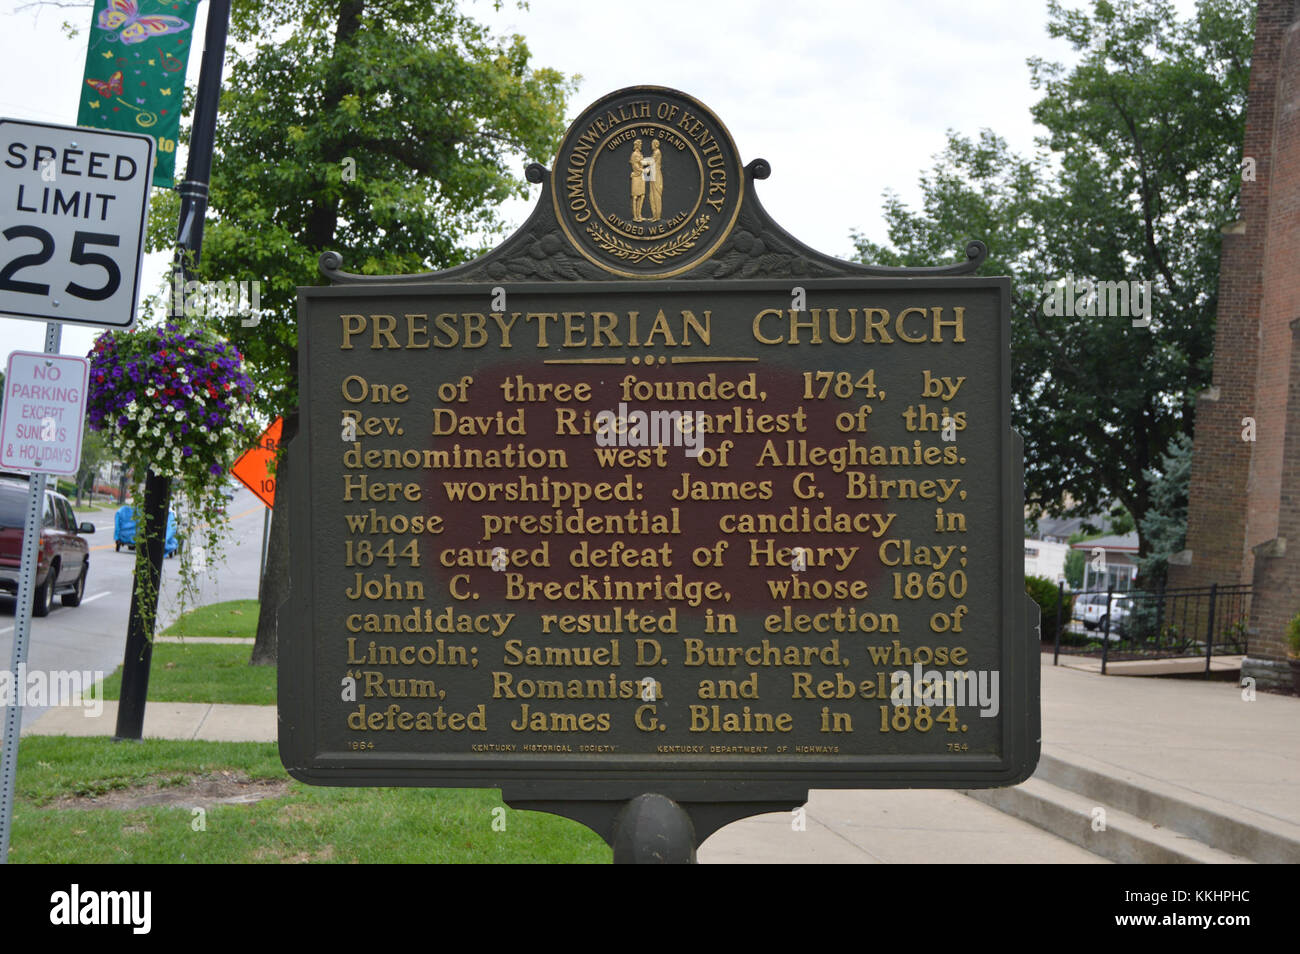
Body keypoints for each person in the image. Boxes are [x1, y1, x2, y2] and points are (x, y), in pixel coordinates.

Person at [630, 140, 646, 221]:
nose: (641, 145)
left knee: (642, 195)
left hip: (641, 177)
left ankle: (639, 215)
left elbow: (642, 162)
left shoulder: (640, 154)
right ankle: (635, 217)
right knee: (635, 197)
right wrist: (641, 170)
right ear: (637, 145)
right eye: (640, 144)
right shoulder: (634, 154)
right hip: (636, 176)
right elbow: (635, 165)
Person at [648, 141, 664, 220]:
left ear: (655, 145)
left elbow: (651, 161)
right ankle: (654, 215)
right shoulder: (654, 152)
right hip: (652, 176)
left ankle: (658, 216)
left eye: (652, 144)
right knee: (651, 196)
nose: (651, 146)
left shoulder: (657, 152)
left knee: (656, 196)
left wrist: (639, 161)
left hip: (656, 176)